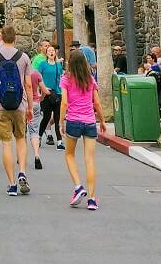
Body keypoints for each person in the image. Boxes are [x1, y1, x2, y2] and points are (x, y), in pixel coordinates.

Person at [0, 25, 33, 196]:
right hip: (20, 105)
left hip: (0, 105)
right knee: (20, 139)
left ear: (2, 38)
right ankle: (22, 173)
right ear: (15, 38)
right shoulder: (24, 57)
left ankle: (12, 184)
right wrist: (30, 106)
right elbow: (28, 84)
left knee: (6, 143)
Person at [59, 49, 107, 210]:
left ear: (70, 63)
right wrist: (102, 121)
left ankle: (78, 186)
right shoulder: (90, 79)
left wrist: (60, 121)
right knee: (90, 160)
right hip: (89, 122)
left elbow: (64, 103)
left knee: (70, 155)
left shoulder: (66, 79)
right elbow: (97, 103)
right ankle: (92, 199)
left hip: (73, 121)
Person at [37, 44, 65, 149]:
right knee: (46, 117)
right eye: (49, 51)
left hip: (57, 93)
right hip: (46, 94)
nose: (51, 52)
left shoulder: (58, 65)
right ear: (46, 53)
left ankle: (59, 141)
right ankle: (39, 136)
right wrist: (42, 89)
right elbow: (38, 79)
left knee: (58, 118)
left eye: (53, 50)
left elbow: (61, 78)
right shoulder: (42, 64)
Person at [27, 67, 49, 169]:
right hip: (35, 103)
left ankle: (21, 155)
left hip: (22, 104)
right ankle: (36, 155)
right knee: (34, 131)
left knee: (21, 133)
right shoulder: (36, 74)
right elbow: (44, 90)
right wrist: (42, 97)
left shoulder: (19, 73)